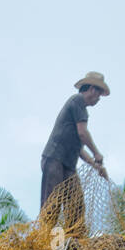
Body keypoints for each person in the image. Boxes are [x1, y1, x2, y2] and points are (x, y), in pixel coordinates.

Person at [40, 71, 110, 219]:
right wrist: (97, 153)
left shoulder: (82, 109)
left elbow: (79, 149)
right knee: (51, 206)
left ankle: (75, 240)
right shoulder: (77, 101)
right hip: (54, 159)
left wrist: (95, 165)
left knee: (76, 206)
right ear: (92, 89)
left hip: (68, 165)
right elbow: (83, 133)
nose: (99, 99)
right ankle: (44, 238)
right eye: (99, 94)